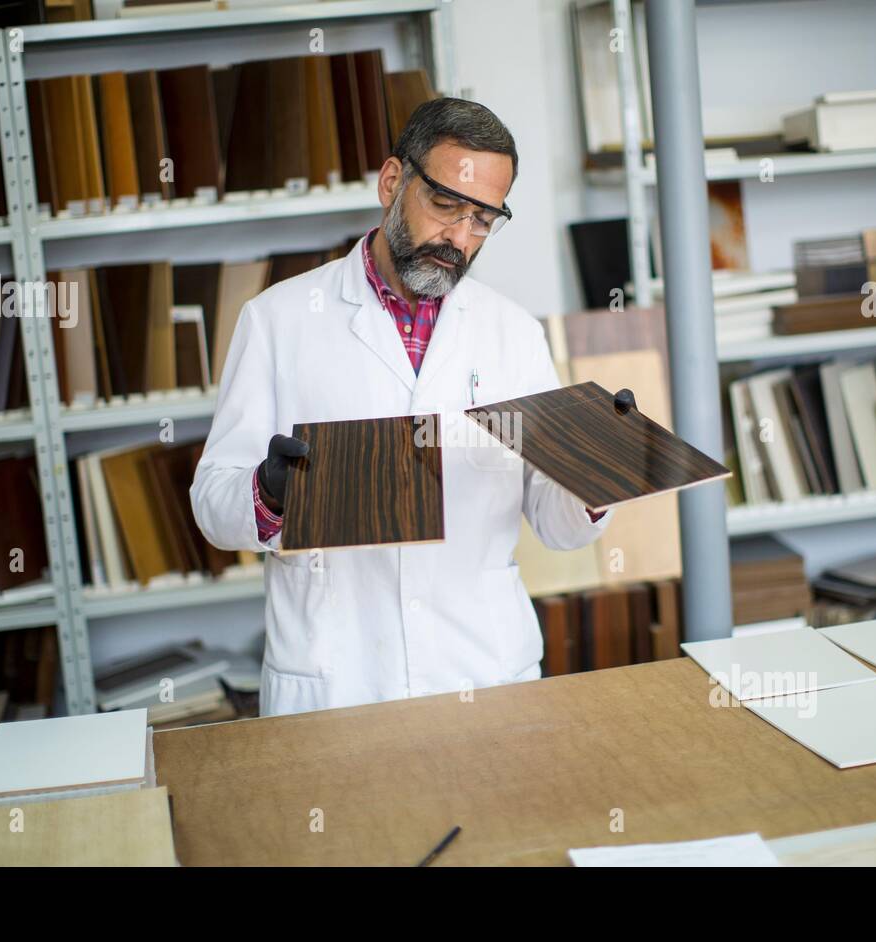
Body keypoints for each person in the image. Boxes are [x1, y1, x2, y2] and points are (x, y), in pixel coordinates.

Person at [191, 97, 624, 717]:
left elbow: (555, 525)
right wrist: (268, 494)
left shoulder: (513, 333)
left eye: (483, 219)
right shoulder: (278, 321)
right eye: (445, 204)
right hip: (339, 678)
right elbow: (213, 503)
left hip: (484, 670)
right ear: (392, 181)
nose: (458, 237)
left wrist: (594, 480)